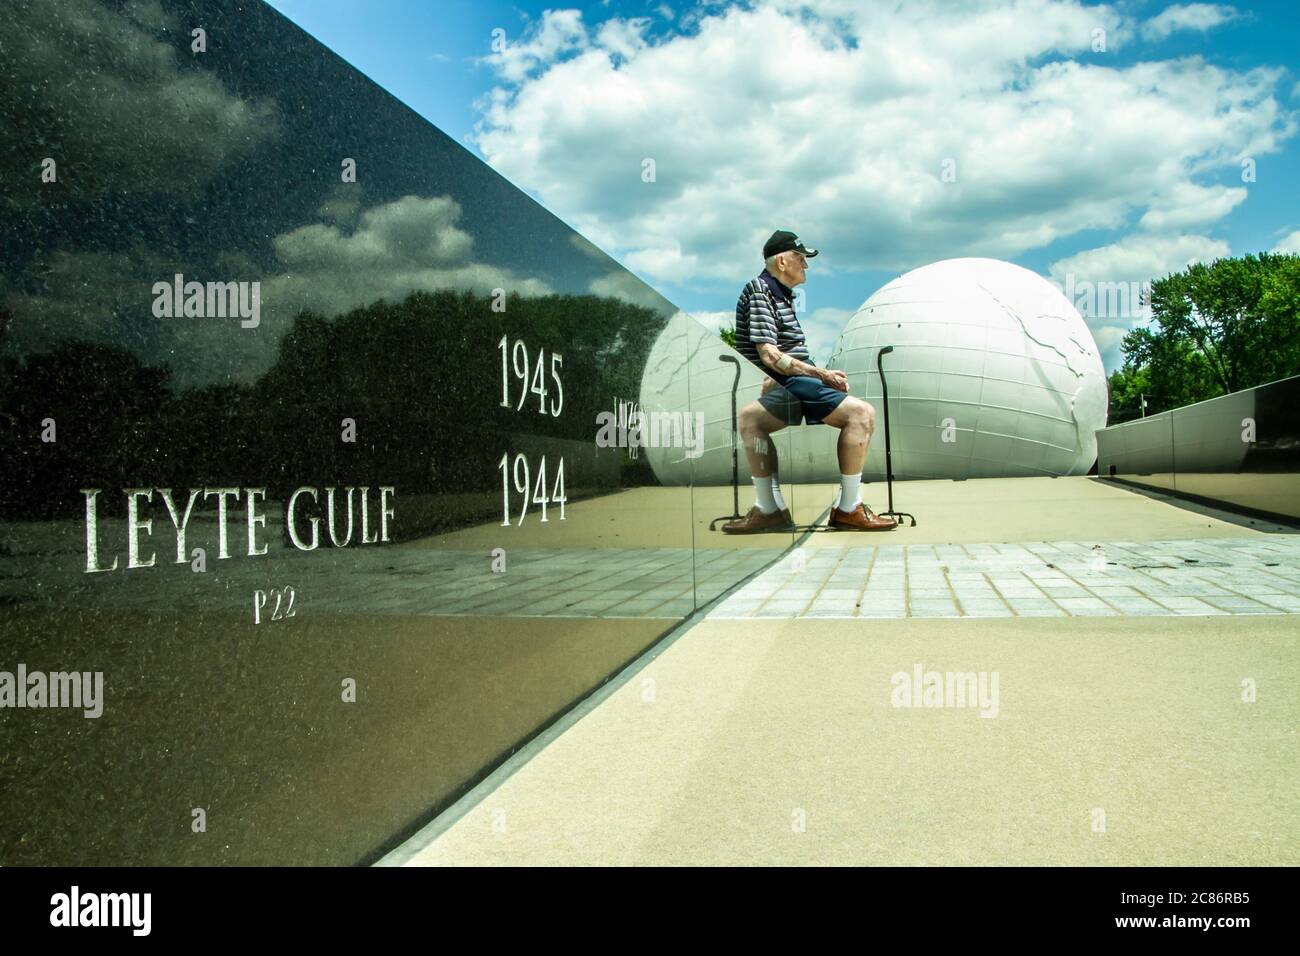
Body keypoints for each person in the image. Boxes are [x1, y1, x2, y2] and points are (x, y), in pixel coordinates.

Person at [723, 230, 896, 533]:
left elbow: (775, 356)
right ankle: (847, 509)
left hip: (790, 381)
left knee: (752, 420)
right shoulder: (761, 290)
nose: (806, 265)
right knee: (862, 414)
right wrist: (822, 375)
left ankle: (770, 510)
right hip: (792, 381)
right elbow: (770, 355)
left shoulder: (779, 294)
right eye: (800, 258)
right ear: (781, 261)